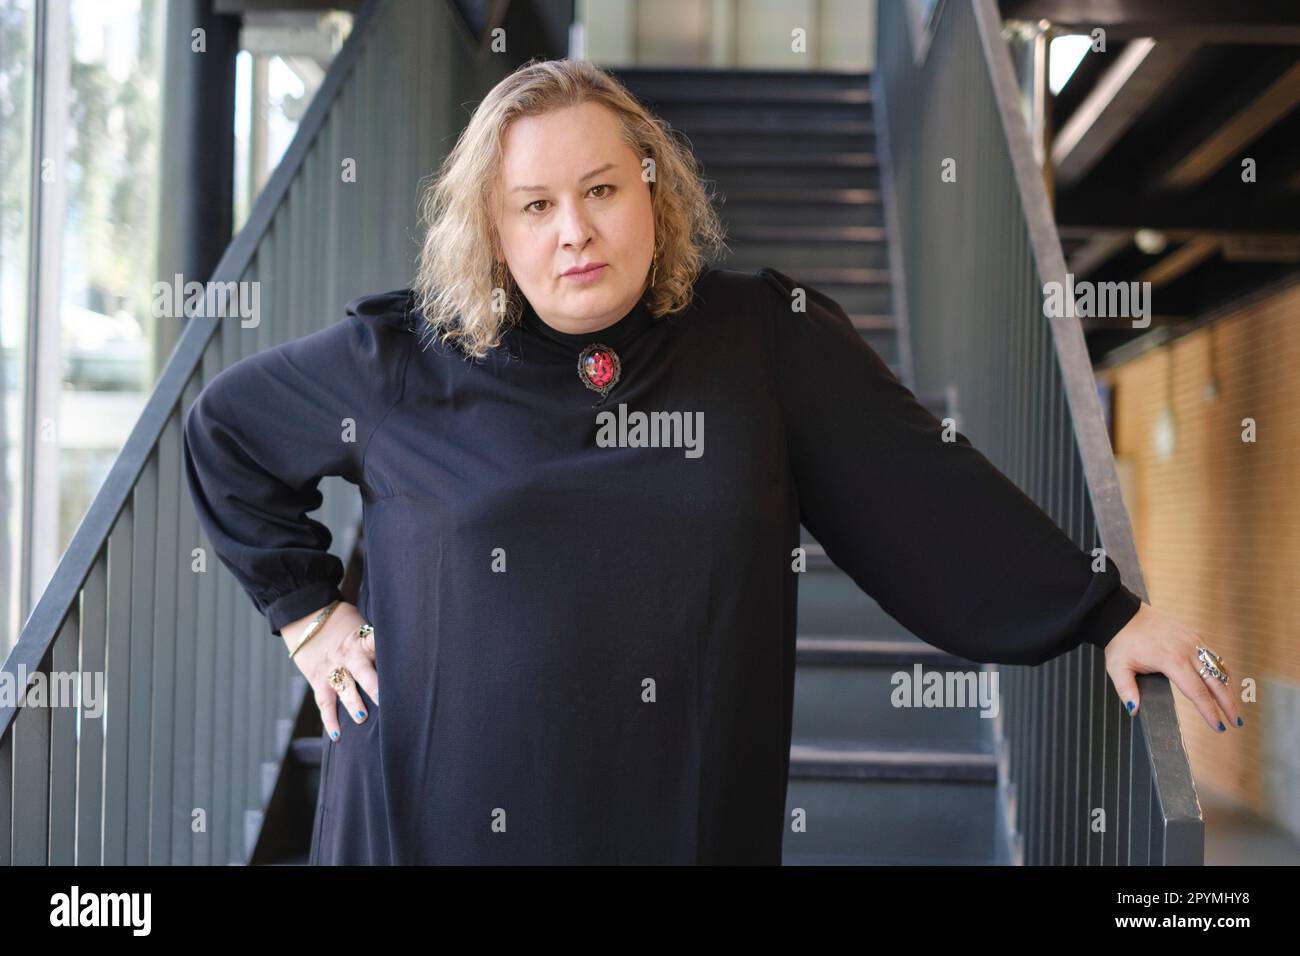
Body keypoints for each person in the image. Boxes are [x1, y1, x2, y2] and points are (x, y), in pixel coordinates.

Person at [182, 58, 1241, 866]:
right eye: (534, 206)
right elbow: (224, 431)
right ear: (494, 235)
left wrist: (1100, 611)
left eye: (600, 189)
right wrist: (311, 614)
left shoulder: (762, 340)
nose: (573, 232)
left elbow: (922, 487)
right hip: (431, 823)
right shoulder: (403, 360)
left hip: (674, 824)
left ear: (654, 192)